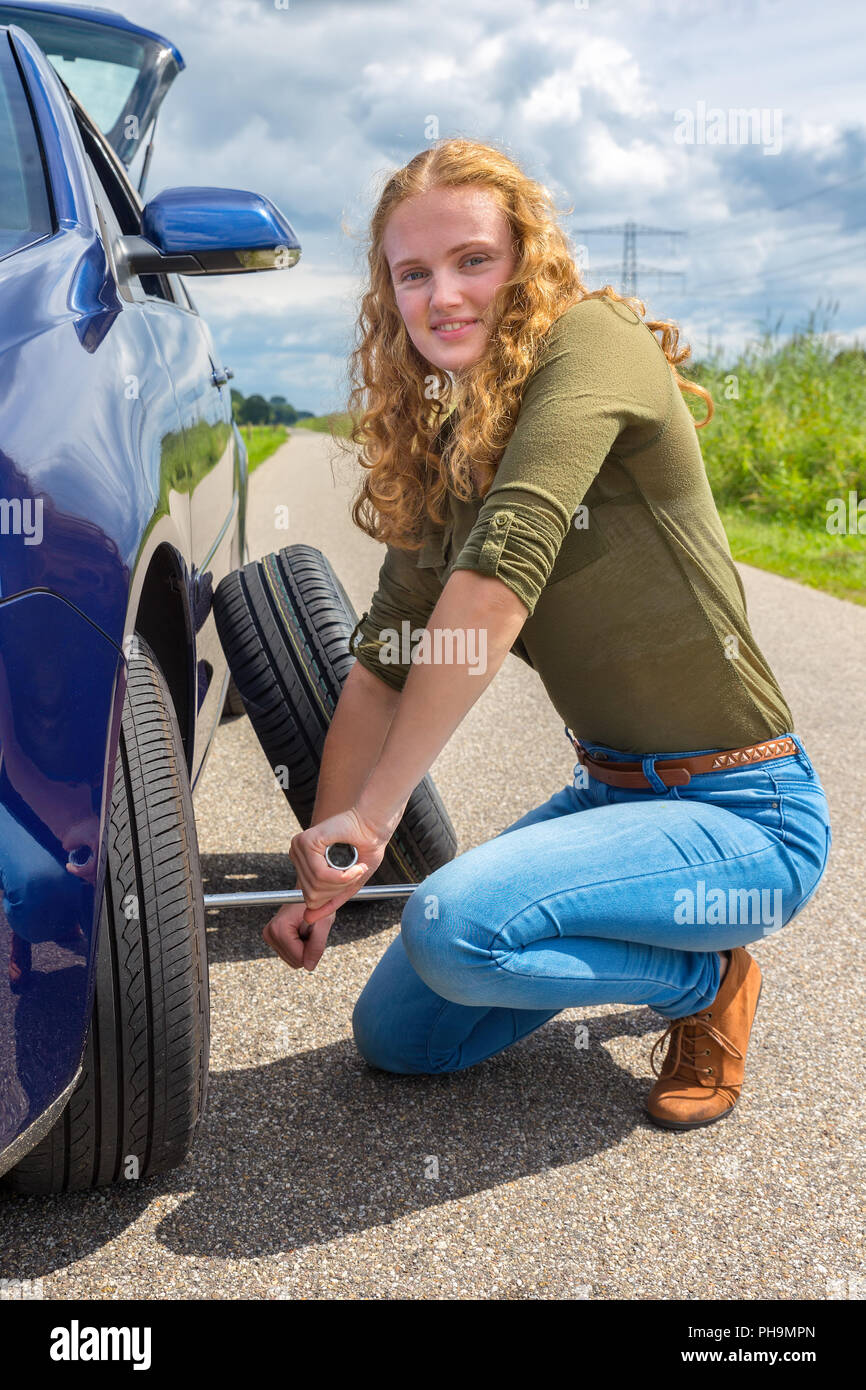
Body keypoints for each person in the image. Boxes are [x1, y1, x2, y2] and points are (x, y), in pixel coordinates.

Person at [263, 137, 832, 1131]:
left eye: (472, 259)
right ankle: (629, 940)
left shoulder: (594, 339)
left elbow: (495, 578)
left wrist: (380, 818)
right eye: (413, 273)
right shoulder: (445, 447)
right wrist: (328, 859)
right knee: (400, 1039)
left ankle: (703, 981)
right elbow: (384, 666)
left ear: (525, 258)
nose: (443, 295)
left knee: (450, 924)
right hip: (601, 799)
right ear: (386, 294)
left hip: (745, 812)